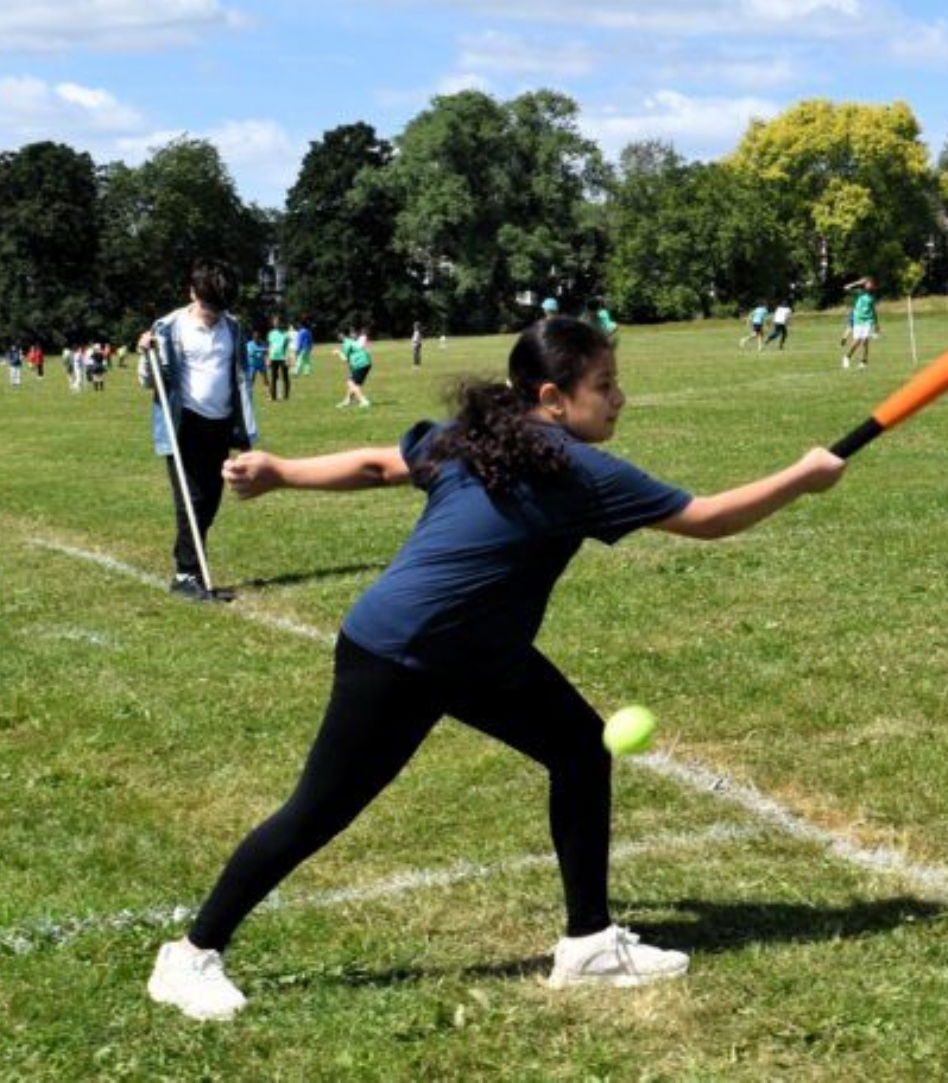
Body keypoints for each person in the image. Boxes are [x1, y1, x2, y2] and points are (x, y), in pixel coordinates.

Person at [145, 316, 846, 1021]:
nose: (619, 399)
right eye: (604, 386)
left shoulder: (484, 439)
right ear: (552, 396)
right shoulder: (578, 467)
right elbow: (710, 518)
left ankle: (590, 943)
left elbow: (379, 465)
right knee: (317, 811)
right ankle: (192, 953)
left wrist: (280, 472)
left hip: (480, 654)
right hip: (404, 653)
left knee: (578, 749)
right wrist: (803, 476)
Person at [136, 263, 258, 601]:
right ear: (193, 293)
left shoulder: (233, 328)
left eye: (220, 308)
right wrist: (146, 355)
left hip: (220, 425)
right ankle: (185, 574)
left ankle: (188, 569)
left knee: (211, 499)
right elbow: (148, 381)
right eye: (209, 307)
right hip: (184, 424)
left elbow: (240, 378)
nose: (214, 315)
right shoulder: (168, 328)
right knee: (190, 499)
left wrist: (245, 427)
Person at [842, 278, 879, 369]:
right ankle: (847, 357)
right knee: (857, 341)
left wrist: (876, 324)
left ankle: (864, 361)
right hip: (858, 320)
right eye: (868, 284)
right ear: (865, 285)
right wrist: (857, 282)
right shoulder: (859, 293)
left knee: (865, 341)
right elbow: (846, 288)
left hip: (868, 321)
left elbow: (873, 311)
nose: (869, 286)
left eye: (871, 284)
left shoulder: (872, 297)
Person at [334, 328, 372, 409]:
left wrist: (338, 352)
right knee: (353, 382)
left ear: (342, 335)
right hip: (366, 363)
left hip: (360, 364)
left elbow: (345, 359)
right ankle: (348, 400)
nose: (338, 338)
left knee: (351, 383)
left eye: (338, 336)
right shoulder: (352, 341)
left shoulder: (346, 343)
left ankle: (364, 401)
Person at [266, 317, 291, 401]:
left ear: (281, 323)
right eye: (275, 322)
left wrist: (288, 358)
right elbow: (269, 346)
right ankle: (273, 397)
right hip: (273, 358)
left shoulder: (286, 334)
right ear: (273, 324)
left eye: (278, 322)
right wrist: (268, 358)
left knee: (285, 377)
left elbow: (287, 347)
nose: (276, 324)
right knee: (273, 377)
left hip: (283, 358)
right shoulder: (271, 334)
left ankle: (286, 396)